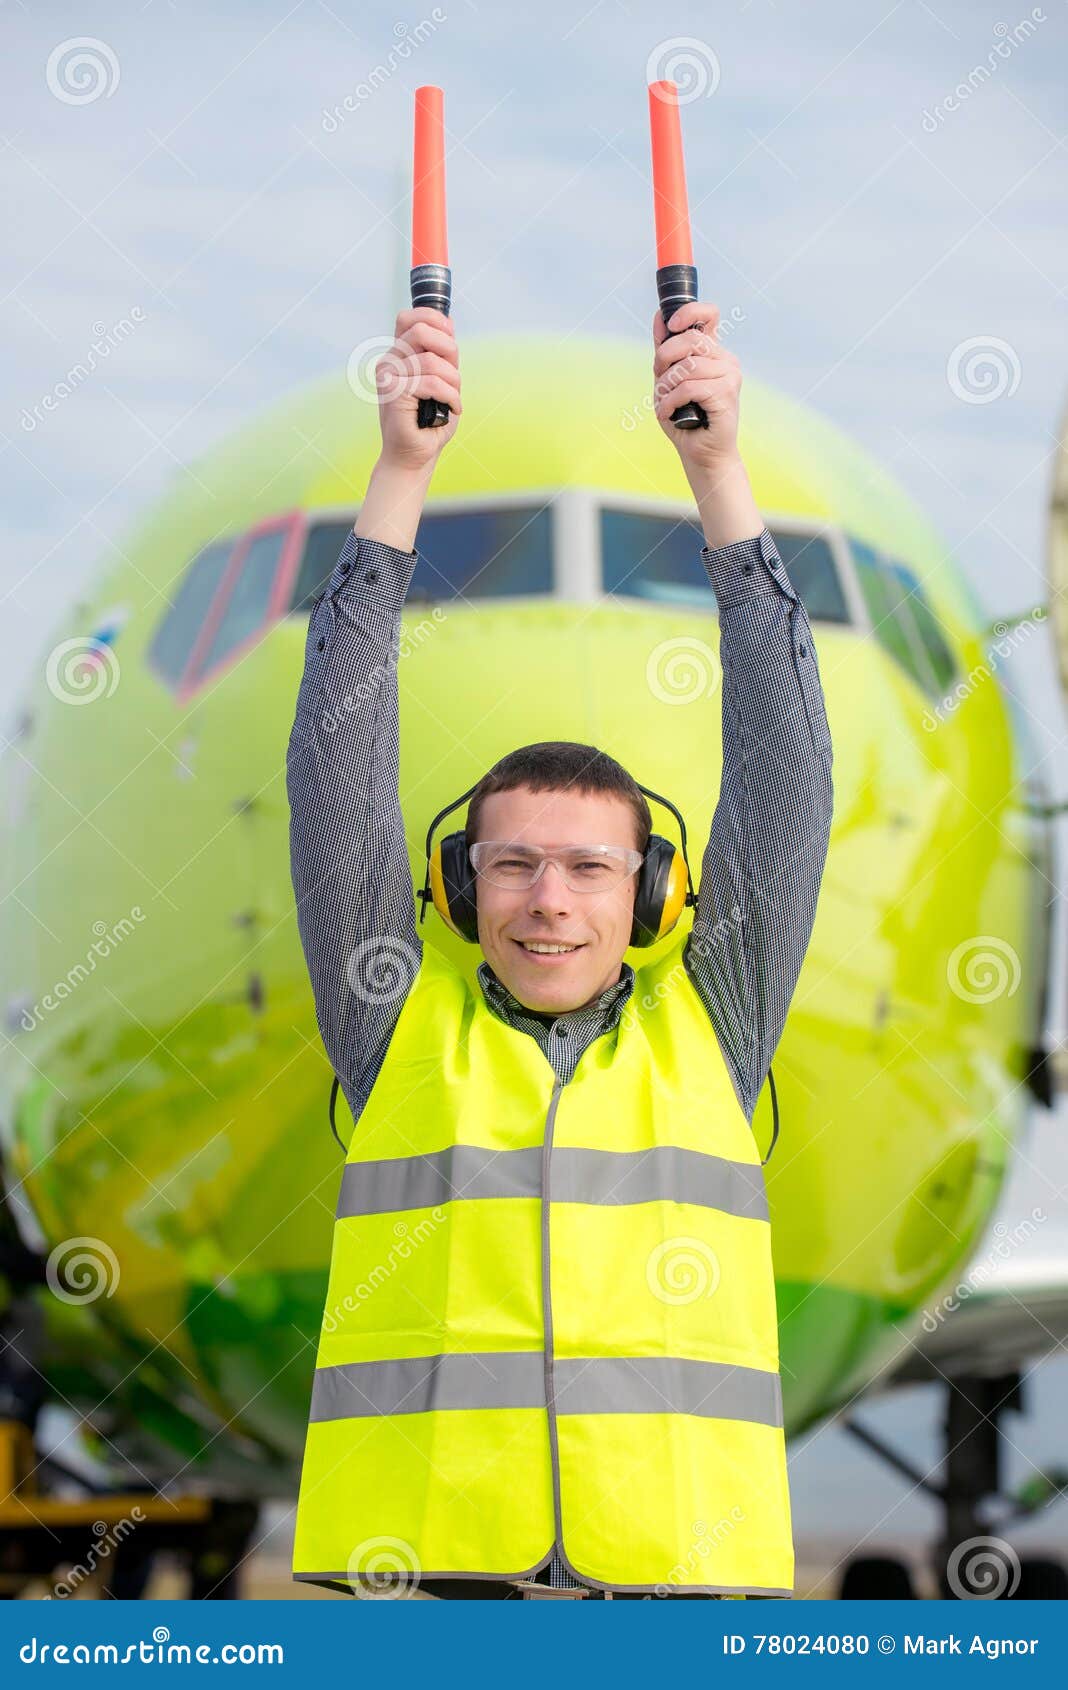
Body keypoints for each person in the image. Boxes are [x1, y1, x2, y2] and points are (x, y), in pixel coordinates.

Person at [286, 301, 834, 1599]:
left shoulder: (719, 1017)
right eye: (513, 863)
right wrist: (400, 479)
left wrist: (717, 473)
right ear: (457, 887)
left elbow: (789, 772)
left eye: (591, 866)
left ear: (649, 891)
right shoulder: (390, 1016)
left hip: (676, 1591)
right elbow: (332, 767)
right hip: (426, 1592)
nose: (549, 899)